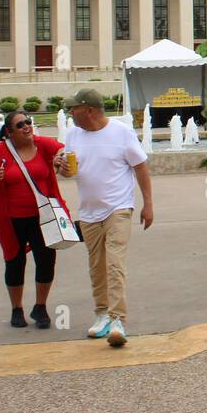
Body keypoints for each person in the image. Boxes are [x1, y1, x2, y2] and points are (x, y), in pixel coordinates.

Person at [56, 89, 153, 347]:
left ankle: (118, 320)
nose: (70, 112)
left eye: (74, 108)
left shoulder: (121, 133)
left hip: (118, 208)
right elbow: (68, 169)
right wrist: (61, 166)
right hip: (88, 212)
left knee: (114, 263)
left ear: (89, 110)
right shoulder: (73, 134)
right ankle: (101, 315)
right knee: (96, 266)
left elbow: (140, 167)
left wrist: (148, 204)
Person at [0, 110, 71, 329]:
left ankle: (40, 306)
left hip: (43, 218)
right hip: (12, 220)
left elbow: (66, 151)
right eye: (20, 125)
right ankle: (16, 308)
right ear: (9, 132)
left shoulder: (42, 145)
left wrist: (60, 159)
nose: (27, 127)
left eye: (28, 122)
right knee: (15, 262)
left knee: (46, 262)